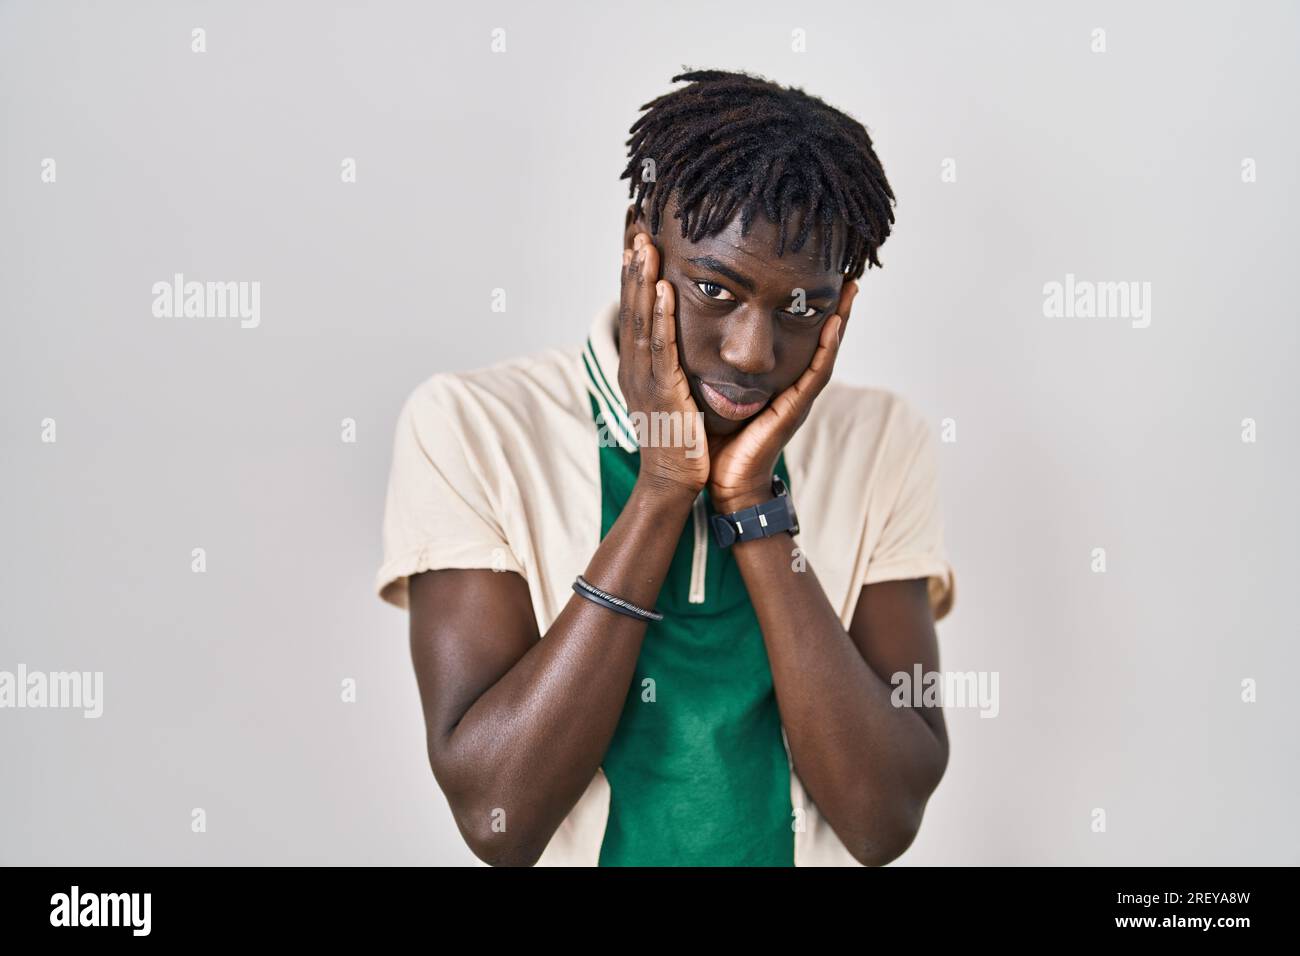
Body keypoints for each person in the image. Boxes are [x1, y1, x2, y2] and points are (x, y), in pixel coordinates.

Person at [375, 68, 956, 866]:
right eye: (715, 289)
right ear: (637, 251)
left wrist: (752, 505)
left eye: (801, 308)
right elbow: (497, 813)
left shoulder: (883, 439)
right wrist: (661, 489)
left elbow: (883, 819)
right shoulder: (473, 426)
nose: (751, 353)